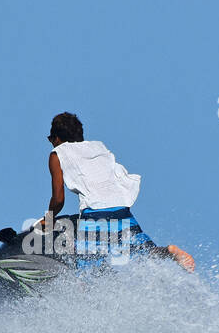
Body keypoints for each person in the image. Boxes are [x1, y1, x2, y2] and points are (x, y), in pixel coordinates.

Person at [35, 112, 194, 273]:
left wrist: (48, 219)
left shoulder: (58, 153)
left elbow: (58, 198)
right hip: (121, 209)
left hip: (95, 214)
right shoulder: (98, 147)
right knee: (145, 252)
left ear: (56, 139)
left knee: (87, 271)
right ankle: (169, 251)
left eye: (51, 140)